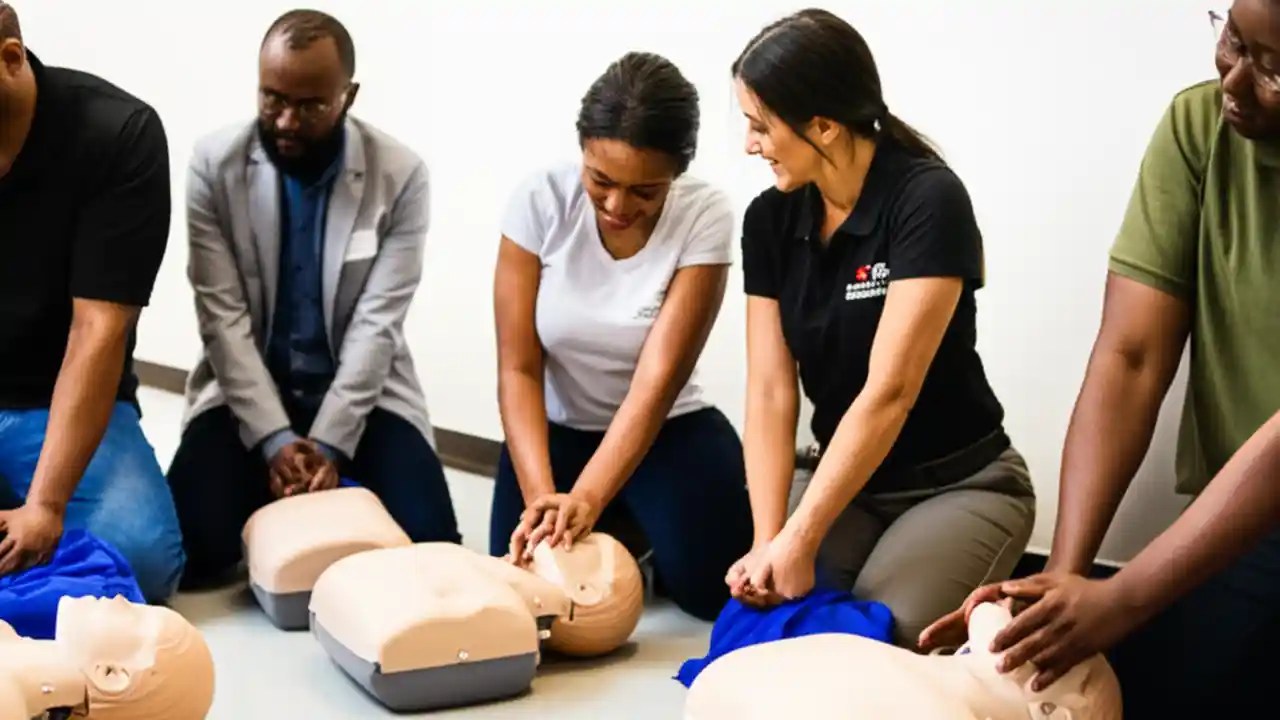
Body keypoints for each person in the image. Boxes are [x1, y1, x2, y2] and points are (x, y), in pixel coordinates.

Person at [920, 3, 1280, 716]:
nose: (1234, 80)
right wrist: (1060, 580)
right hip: (1240, 524)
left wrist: (1124, 598)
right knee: (1136, 676)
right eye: (1233, 39)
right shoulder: (1198, 126)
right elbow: (1131, 357)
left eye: (1273, 68)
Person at [723, 8, 1036, 648]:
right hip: (847, 483)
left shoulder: (928, 200)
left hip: (959, 484)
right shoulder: (769, 220)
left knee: (881, 640)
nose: (749, 144)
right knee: (759, 626)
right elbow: (771, 393)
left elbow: (890, 392)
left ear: (823, 126)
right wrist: (768, 542)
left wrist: (801, 538)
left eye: (760, 126)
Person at [166, 9, 460, 587]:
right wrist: (275, 441)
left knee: (432, 545)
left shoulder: (401, 175)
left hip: (360, 397)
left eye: (310, 106)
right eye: (272, 98)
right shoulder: (213, 165)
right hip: (245, 395)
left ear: (348, 96)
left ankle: (316, 485)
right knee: (190, 553)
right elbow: (222, 322)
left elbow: (377, 325)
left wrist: (328, 443)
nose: (285, 121)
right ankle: (290, 488)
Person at [490, 51, 753, 621]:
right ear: (582, 150)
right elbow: (518, 367)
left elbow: (656, 384)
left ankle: (631, 521)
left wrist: (587, 497)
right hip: (557, 429)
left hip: (669, 427)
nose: (617, 205)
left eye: (645, 191)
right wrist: (543, 499)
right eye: (601, 181)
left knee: (713, 594)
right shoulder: (539, 201)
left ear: (676, 173)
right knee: (523, 592)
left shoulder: (704, 214)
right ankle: (623, 521)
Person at [0, 1, 184, 603]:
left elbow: (97, 330)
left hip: (56, 399)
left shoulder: (117, 135)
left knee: (141, 556)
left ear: (10, 59)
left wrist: (47, 505)